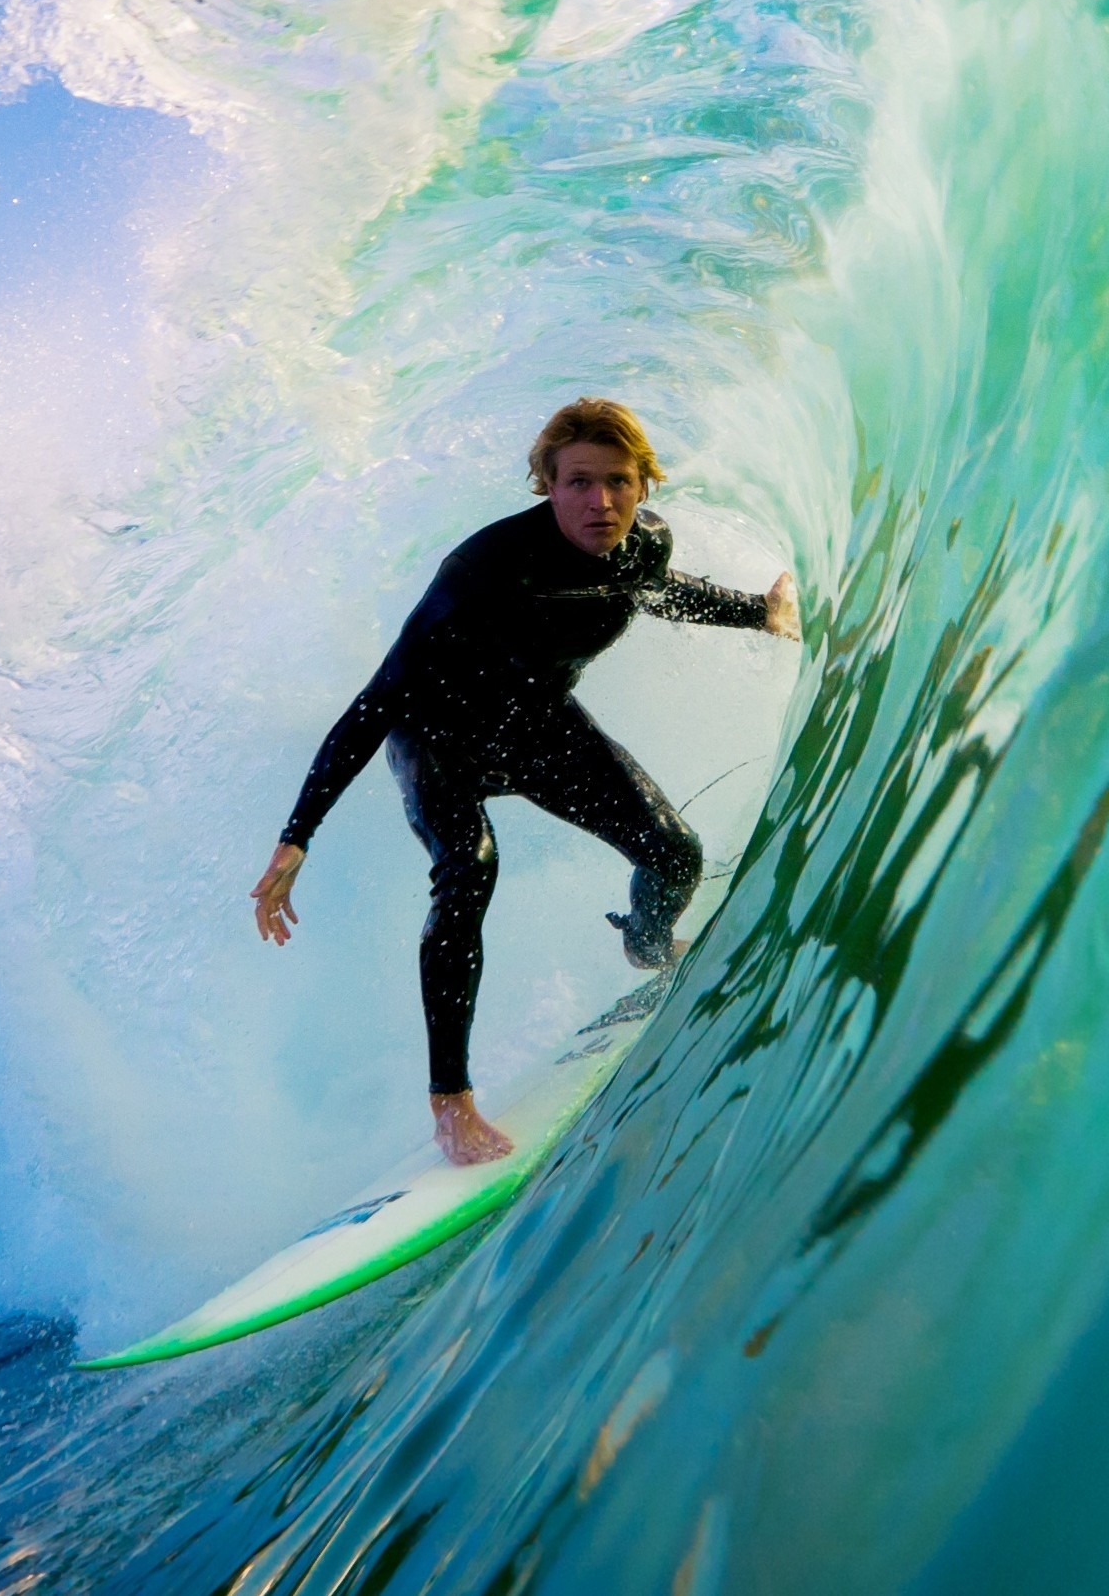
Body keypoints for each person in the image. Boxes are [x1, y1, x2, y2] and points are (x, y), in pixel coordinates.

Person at [251, 398, 803, 1164]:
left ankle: (648, 949)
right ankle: (451, 1103)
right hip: (438, 734)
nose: (599, 501)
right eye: (578, 481)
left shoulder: (641, 546)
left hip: (537, 724)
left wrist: (759, 613)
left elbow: (657, 591)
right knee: (469, 869)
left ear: (644, 484)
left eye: (618, 481)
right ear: (545, 483)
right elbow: (380, 697)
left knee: (674, 851)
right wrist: (295, 838)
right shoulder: (484, 567)